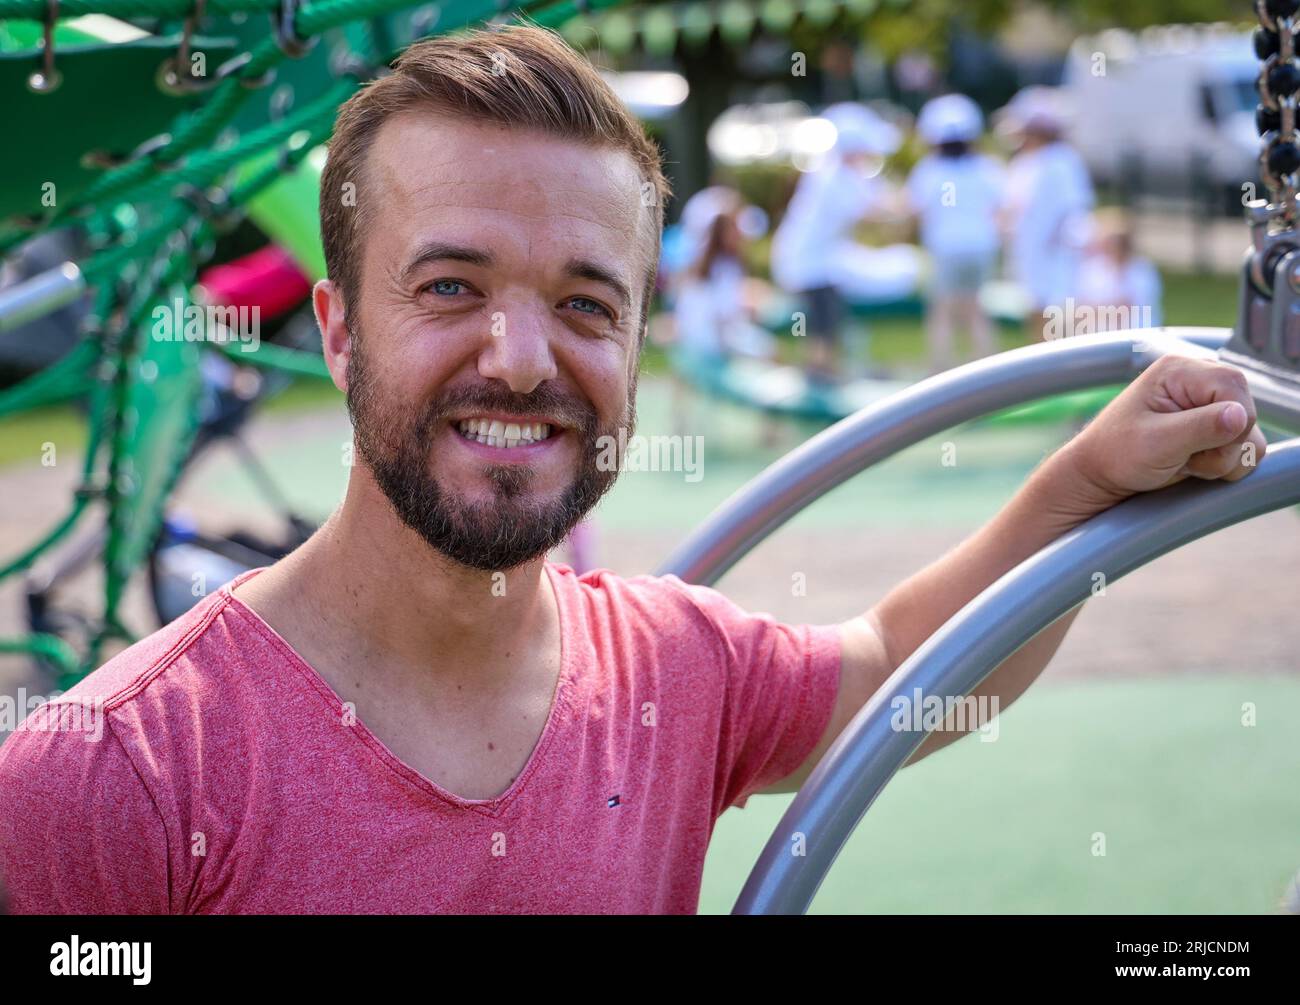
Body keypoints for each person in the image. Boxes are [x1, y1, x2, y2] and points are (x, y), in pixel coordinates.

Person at [0, 25, 1268, 915]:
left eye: (585, 304)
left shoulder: (671, 674)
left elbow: (900, 669)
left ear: (635, 343)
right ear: (336, 329)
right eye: (451, 287)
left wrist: (1086, 483)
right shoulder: (112, 780)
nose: (519, 358)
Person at [770, 102, 920, 378]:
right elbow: (876, 210)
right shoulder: (832, 178)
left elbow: (881, 202)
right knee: (823, 322)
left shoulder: (840, 175)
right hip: (809, 266)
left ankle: (827, 369)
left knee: (828, 319)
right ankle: (821, 372)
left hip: (819, 264)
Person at [906, 93, 1006, 373]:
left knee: (943, 311)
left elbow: (915, 209)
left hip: (946, 248)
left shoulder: (929, 170)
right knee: (975, 308)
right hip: (981, 246)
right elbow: (1000, 207)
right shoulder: (986, 167)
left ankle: (939, 372)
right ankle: (987, 371)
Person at [996, 86, 1095, 343]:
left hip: (1056, 253)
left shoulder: (1062, 161)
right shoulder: (1024, 163)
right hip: (1031, 253)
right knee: (1036, 312)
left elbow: (1071, 209)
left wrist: (1055, 241)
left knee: (1060, 316)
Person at [1075, 208, 1163, 331]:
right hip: (1097, 337)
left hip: (1137, 335)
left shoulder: (1142, 270)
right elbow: (1080, 310)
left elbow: (1130, 307)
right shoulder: (1091, 270)